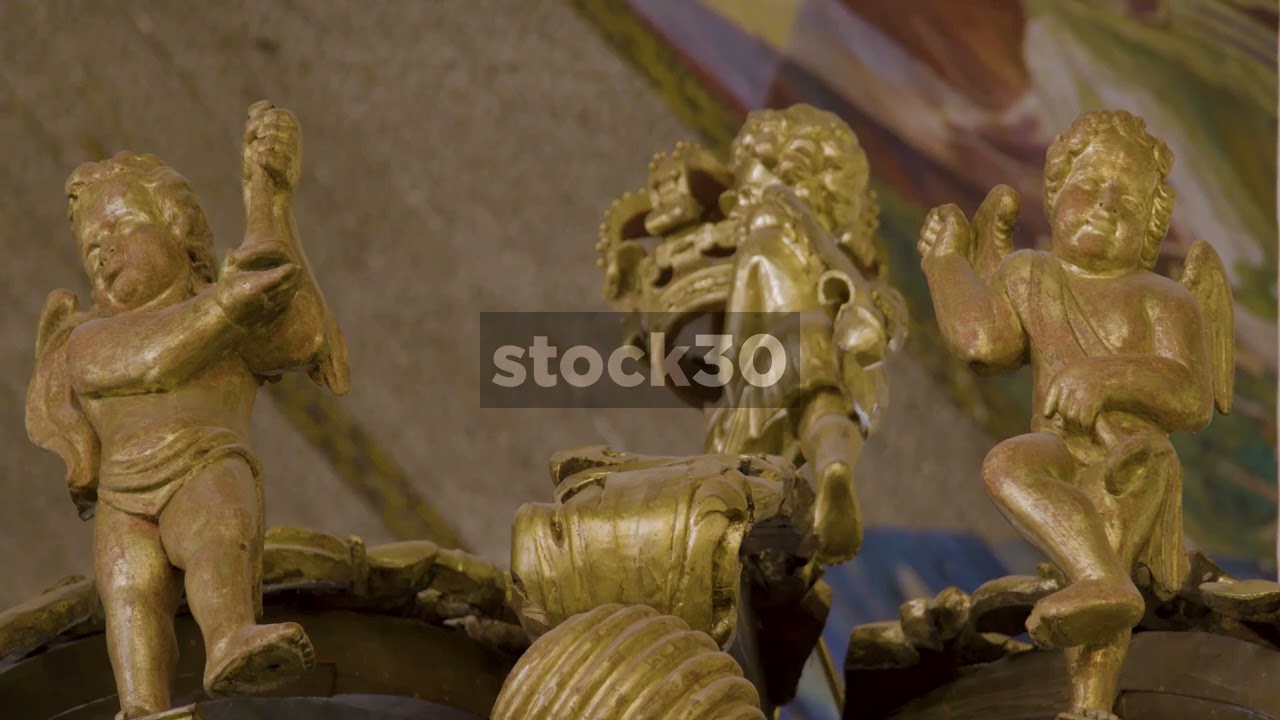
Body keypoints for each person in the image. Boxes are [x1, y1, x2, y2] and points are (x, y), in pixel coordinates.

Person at [26, 101, 348, 719]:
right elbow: (151, 359)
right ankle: (142, 709)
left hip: (204, 463)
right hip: (123, 499)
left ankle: (230, 638)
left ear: (178, 228)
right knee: (129, 591)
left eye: (119, 229)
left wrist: (270, 197)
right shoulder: (89, 341)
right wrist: (227, 309)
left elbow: (301, 330)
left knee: (215, 532)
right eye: (92, 248)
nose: (102, 254)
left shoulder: (229, 312)